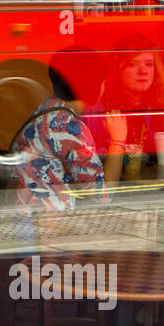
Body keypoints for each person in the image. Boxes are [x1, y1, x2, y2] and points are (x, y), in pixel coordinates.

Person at [11, 49, 105, 216]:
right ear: (92, 83)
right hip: (51, 222)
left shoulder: (45, 109)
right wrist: (119, 142)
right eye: (103, 80)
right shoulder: (68, 126)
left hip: (25, 213)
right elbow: (99, 194)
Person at [83, 35, 164, 185]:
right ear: (117, 70)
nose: (143, 71)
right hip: (115, 192)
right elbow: (90, 173)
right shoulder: (96, 112)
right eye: (132, 64)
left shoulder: (163, 107)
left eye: (149, 64)